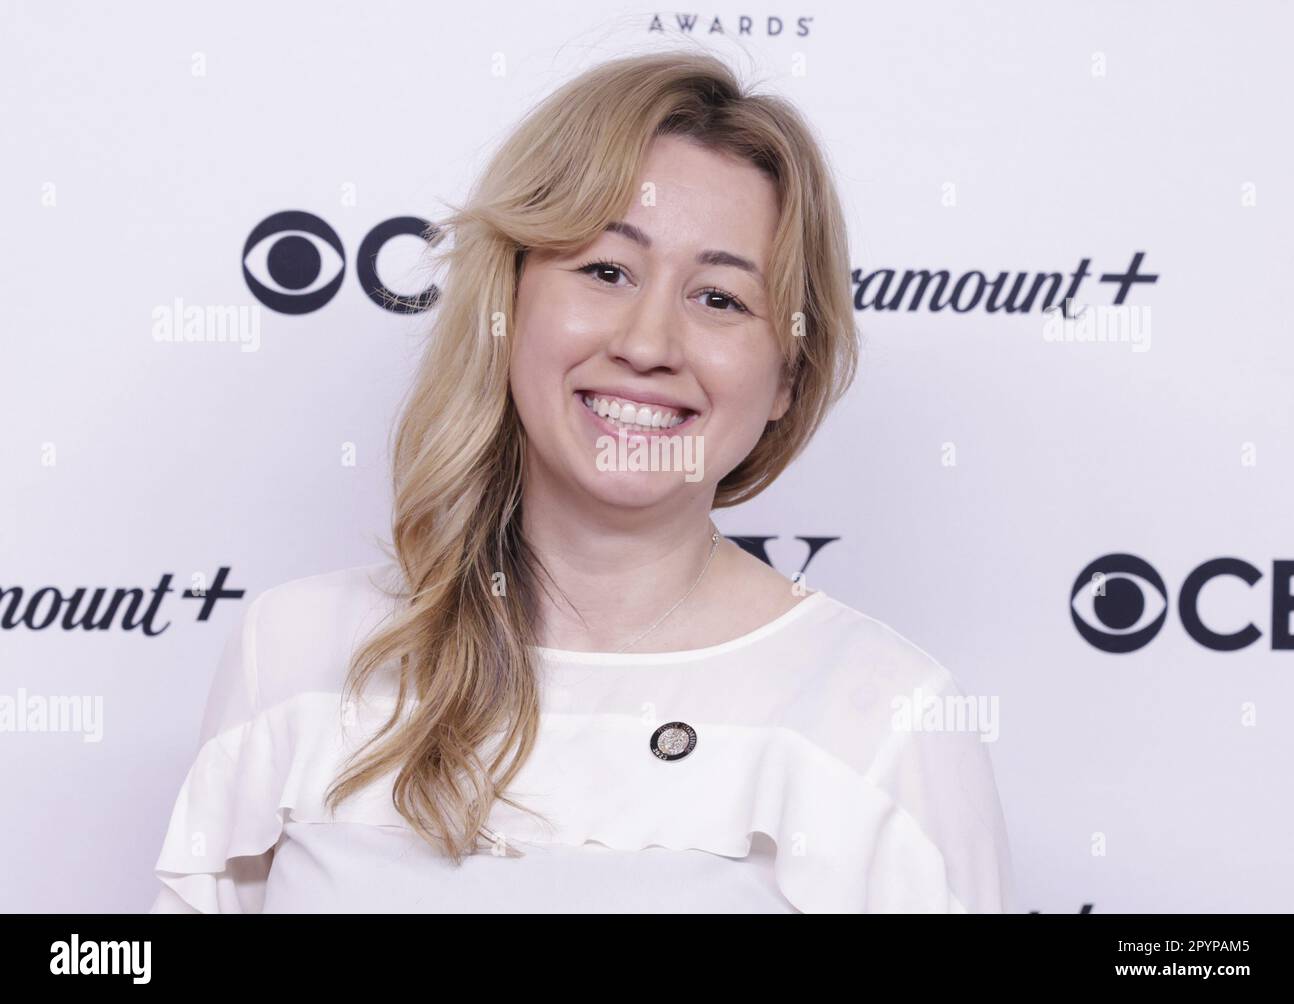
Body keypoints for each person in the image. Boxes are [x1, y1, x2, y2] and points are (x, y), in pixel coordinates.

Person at [148, 49, 1016, 913]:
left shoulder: (886, 720)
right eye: (606, 271)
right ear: (506, 303)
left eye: (720, 299)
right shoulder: (296, 652)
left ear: (788, 375)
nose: (647, 345)